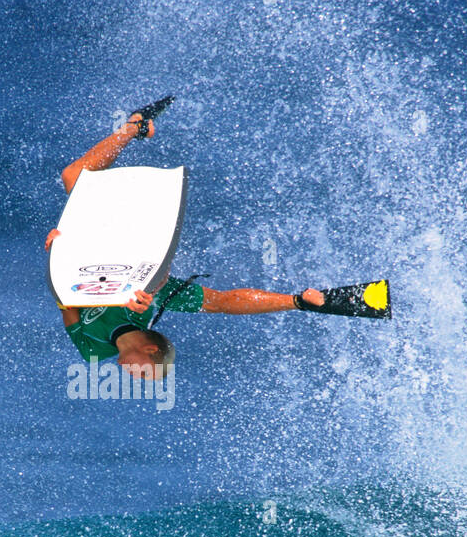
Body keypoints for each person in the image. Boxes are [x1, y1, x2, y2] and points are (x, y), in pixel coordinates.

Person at [49, 105, 363, 381]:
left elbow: (63, 296)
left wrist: (60, 250)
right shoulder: (154, 306)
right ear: (151, 349)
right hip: (123, 242)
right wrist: (295, 302)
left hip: (84, 251)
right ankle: (135, 127)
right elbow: (222, 302)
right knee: (74, 176)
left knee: (72, 174)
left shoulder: (91, 349)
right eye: (146, 372)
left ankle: (137, 124)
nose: (136, 377)